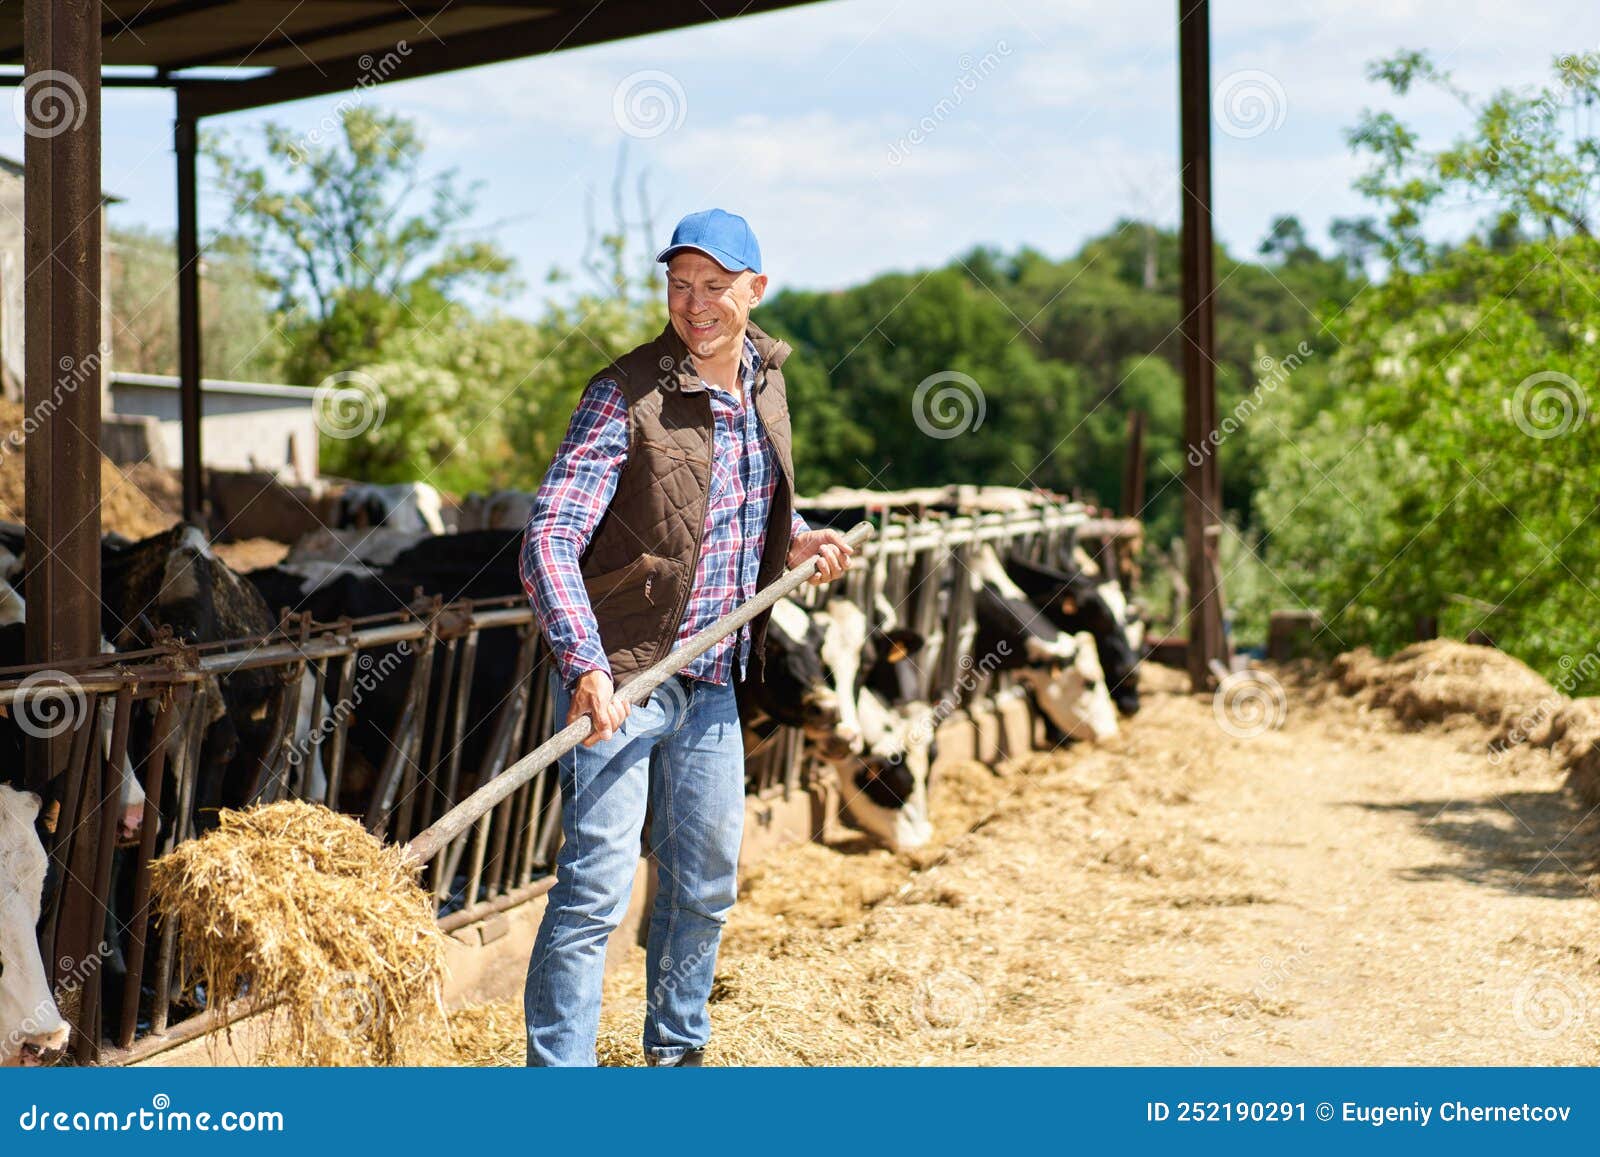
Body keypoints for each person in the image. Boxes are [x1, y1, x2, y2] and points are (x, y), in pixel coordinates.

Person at [518, 207, 853, 1066]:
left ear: (755, 289)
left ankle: (676, 1063)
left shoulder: (768, 383)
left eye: (713, 285)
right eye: (678, 283)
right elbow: (550, 536)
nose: (693, 303)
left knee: (703, 888)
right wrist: (584, 663)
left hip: (714, 680)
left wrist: (797, 536)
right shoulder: (624, 393)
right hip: (625, 678)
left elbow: (734, 505)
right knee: (596, 888)